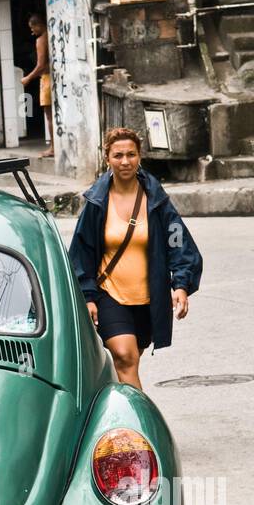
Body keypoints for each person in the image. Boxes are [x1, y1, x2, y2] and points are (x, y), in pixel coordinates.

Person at [68, 127, 203, 390]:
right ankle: (140, 425)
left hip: (148, 299)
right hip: (110, 294)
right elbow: (80, 252)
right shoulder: (97, 202)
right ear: (107, 158)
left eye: (131, 154)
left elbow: (178, 242)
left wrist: (181, 285)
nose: (125, 161)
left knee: (130, 363)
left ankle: (115, 407)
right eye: (118, 155)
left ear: (140, 156)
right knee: (124, 356)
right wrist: (88, 296)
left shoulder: (156, 201)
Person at [21, 13, 53, 157]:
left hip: (46, 78)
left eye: (32, 27)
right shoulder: (51, 35)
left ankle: (53, 148)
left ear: (39, 25)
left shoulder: (41, 40)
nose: (32, 31)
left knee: (49, 115)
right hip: (53, 77)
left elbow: (40, 65)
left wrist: (28, 78)